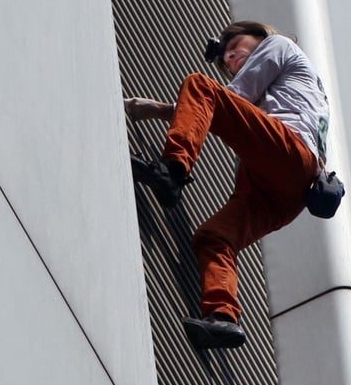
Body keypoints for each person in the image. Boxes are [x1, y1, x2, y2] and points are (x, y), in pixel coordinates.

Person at [125, 21, 329, 349]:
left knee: (199, 84)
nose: (231, 55)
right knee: (216, 237)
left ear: (262, 36)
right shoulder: (293, 88)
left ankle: (172, 170)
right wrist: (156, 109)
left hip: (289, 151)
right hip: (289, 189)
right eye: (227, 57)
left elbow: (222, 98)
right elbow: (211, 108)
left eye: (236, 43)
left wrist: (157, 109)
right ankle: (223, 318)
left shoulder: (278, 47)